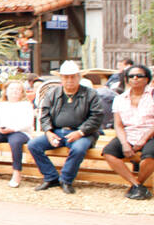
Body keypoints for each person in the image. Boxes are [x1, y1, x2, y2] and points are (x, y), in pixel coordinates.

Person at [27, 60, 105, 194]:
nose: (70, 80)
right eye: (66, 77)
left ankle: (66, 180)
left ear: (79, 77)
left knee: (79, 149)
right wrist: (48, 132)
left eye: (73, 76)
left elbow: (96, 116)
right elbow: (44, 114)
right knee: (33, 145)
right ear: (61, 78)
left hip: (83, 133)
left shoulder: (90, 94)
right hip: (57, 131)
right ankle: (51, 177)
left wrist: (80, 132)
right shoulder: (53, 93)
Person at [101, 64, 154, 200]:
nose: (135, 78)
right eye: (131, 76)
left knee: (150, 155)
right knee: (109, 152)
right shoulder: (120, 99)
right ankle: (136, 185)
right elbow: (118, 125)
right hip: (129, 134)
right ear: (126, 79)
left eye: (139, 76)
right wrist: (124, 143)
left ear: (147, 79)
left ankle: (138, 185)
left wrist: (144, 138)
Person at [0, 80, 35, 187]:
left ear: (22, 92)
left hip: (20, 132)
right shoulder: (1, 105)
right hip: (2, 131)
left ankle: (17, 172)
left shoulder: (26, 105)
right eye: (11, 89)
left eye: (18, 89)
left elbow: (27, 123)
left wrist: (12, 128)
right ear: (6, 92)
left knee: (15, 142)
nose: (14, 91)